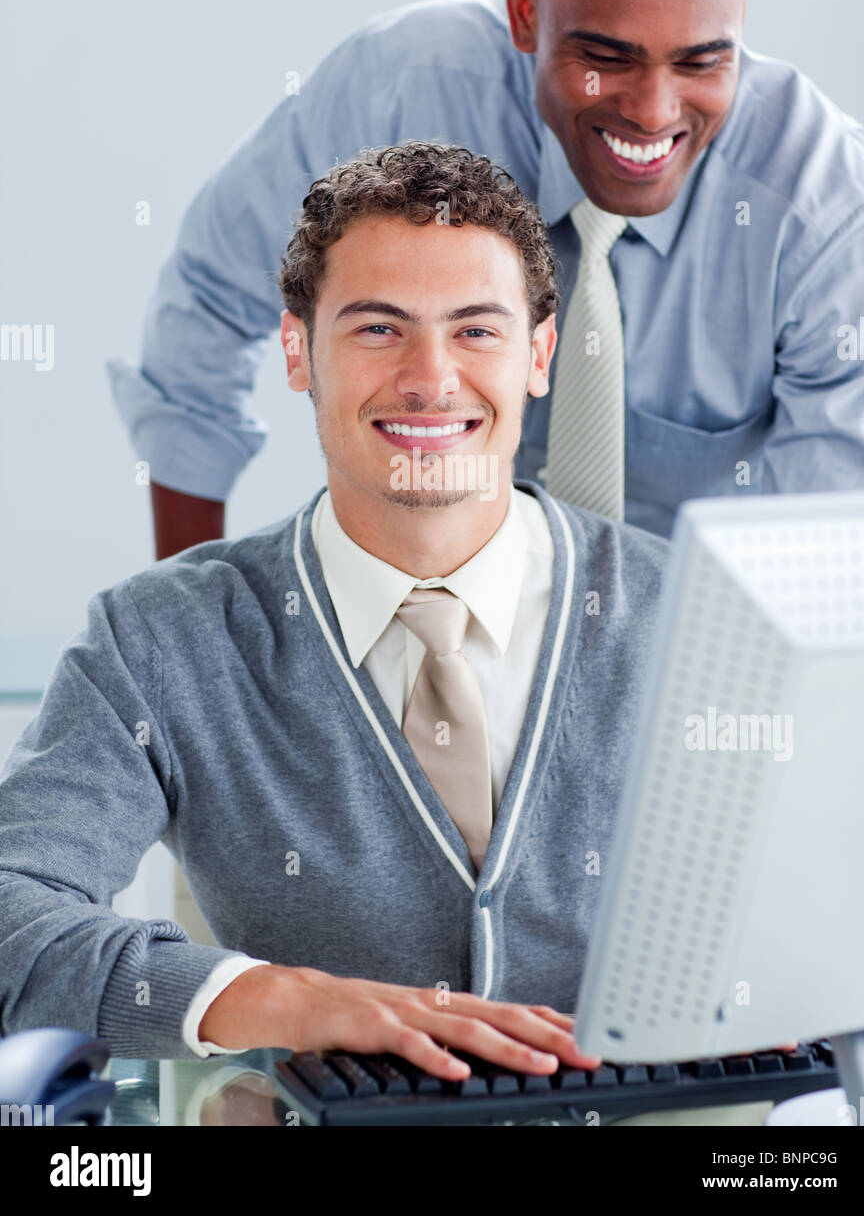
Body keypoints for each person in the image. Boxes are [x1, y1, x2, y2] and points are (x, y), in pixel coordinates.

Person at [0, 142, 669, 1071]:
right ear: (296, 351)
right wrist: (262, 996)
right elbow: (11, 909)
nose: (431, 377)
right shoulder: (159, 640)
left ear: (540, 355)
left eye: (476, 330)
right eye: (378, 328)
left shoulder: (693, 613)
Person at [109, 0, 864, 558]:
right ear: (525, 13)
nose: (652, 112)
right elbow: (206, 311)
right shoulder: (394, 95)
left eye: (700, 61)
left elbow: (826, 549)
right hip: (408, 615)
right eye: (605, 57)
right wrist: (186, 641)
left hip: (684, 658)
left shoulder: (826, 211)